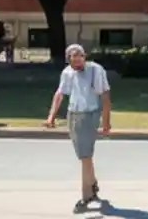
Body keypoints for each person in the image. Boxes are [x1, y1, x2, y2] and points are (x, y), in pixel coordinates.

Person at [44, 44, 112, 214]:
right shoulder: (67, 73)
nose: (77, 62)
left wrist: (106, 122)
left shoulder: (96, 71)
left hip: (90, 115)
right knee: (84, 155)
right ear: (69, 60)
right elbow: (60, 94)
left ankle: (86, 195)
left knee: (85, 156)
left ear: (84, 56)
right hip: (73, 115)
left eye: (80, 58)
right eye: (73, 60)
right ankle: (93, 184)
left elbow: (105, 96)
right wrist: (51, 116)